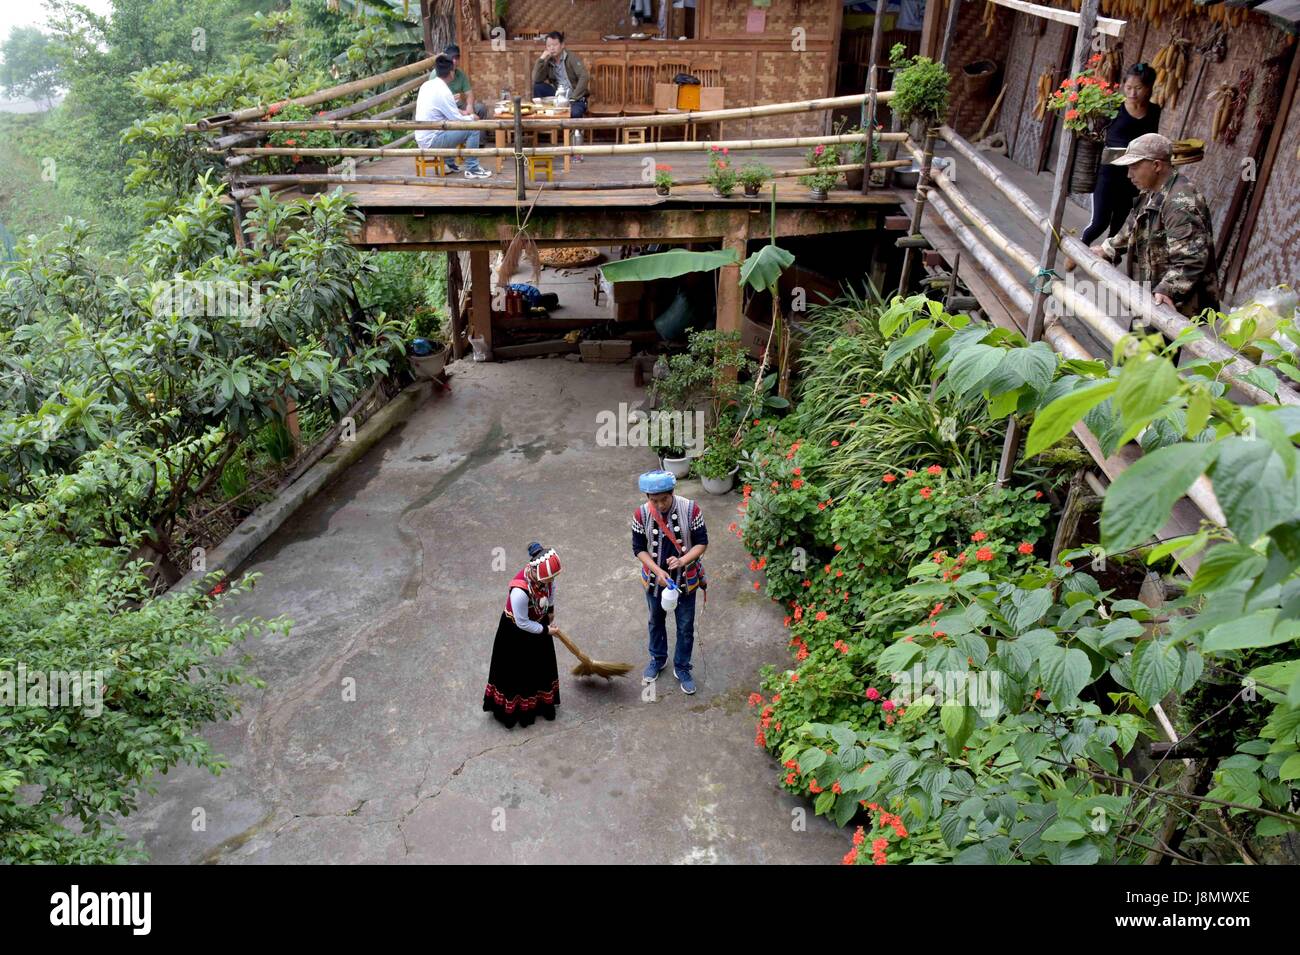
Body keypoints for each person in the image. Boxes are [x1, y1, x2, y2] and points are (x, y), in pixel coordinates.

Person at [1093, 133, 1220, 320]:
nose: (1129, 175)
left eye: (1134, 167)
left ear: (1157, 166)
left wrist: (1167, 289)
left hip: (1175, 306)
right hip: (1151, 293)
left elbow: (1191, 258)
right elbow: (1133, 225)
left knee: (1147, 338)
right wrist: (1108, 249)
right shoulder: (1151, 191)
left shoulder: (1180, 203)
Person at [632, 470, 707, 694]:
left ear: (672, 492)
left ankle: (682, 667)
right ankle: (658, 658)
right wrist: (657, 571)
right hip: (655, 580)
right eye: (654, 500)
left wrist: (682, 560)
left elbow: (702, 542)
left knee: (685, 626)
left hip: (685, 580)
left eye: (664, 499)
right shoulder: (640, 514)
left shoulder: (691, 509)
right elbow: (638, 548)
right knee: (655, 620)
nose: (660, 505)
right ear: (647, 497)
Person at [1081, 63, 1162, 246]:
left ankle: (1108, 260)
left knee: (1118, 227)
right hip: (1109, 172)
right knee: (1099, 223)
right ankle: (1076, 252)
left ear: (1149, 88)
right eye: (1128, 87)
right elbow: (1095, 132)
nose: (1132, 93)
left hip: (1135, 176)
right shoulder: (1114, 106)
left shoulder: (1154, 111)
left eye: (1138, 88)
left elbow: (1151, 139)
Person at [482, 542, 562, 727]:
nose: (550, 581)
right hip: (516, 635)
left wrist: (550, 611)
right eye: (548, 579)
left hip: (539, 623)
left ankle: (541, 705)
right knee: (518, 674)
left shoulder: (545, 577)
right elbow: (522, 623)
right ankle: (518, 713)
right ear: (535, 572)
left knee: (541, 667)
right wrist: (546, 630)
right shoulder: (519, 592)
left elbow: (551, 589)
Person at [414, 54, 491, 179]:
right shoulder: (444, 91)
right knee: (473, 128)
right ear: (451, 72)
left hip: (422, 137)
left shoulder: (426, 85)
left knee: (447, 127)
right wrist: (472, 118)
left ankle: (450, 164)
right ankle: (472, 168)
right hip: (432, 140)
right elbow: (456, 120)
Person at [444, 44, 487, 120]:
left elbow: (469, 93)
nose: (454, 61)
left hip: (458, 105)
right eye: (451, 58)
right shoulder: (438, 74)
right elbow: (439, 103)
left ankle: (480, 128)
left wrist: (469, 105)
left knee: (480, 108)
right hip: (445, 108)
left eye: (456, 58)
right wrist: (462, 112)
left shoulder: (460, 74)